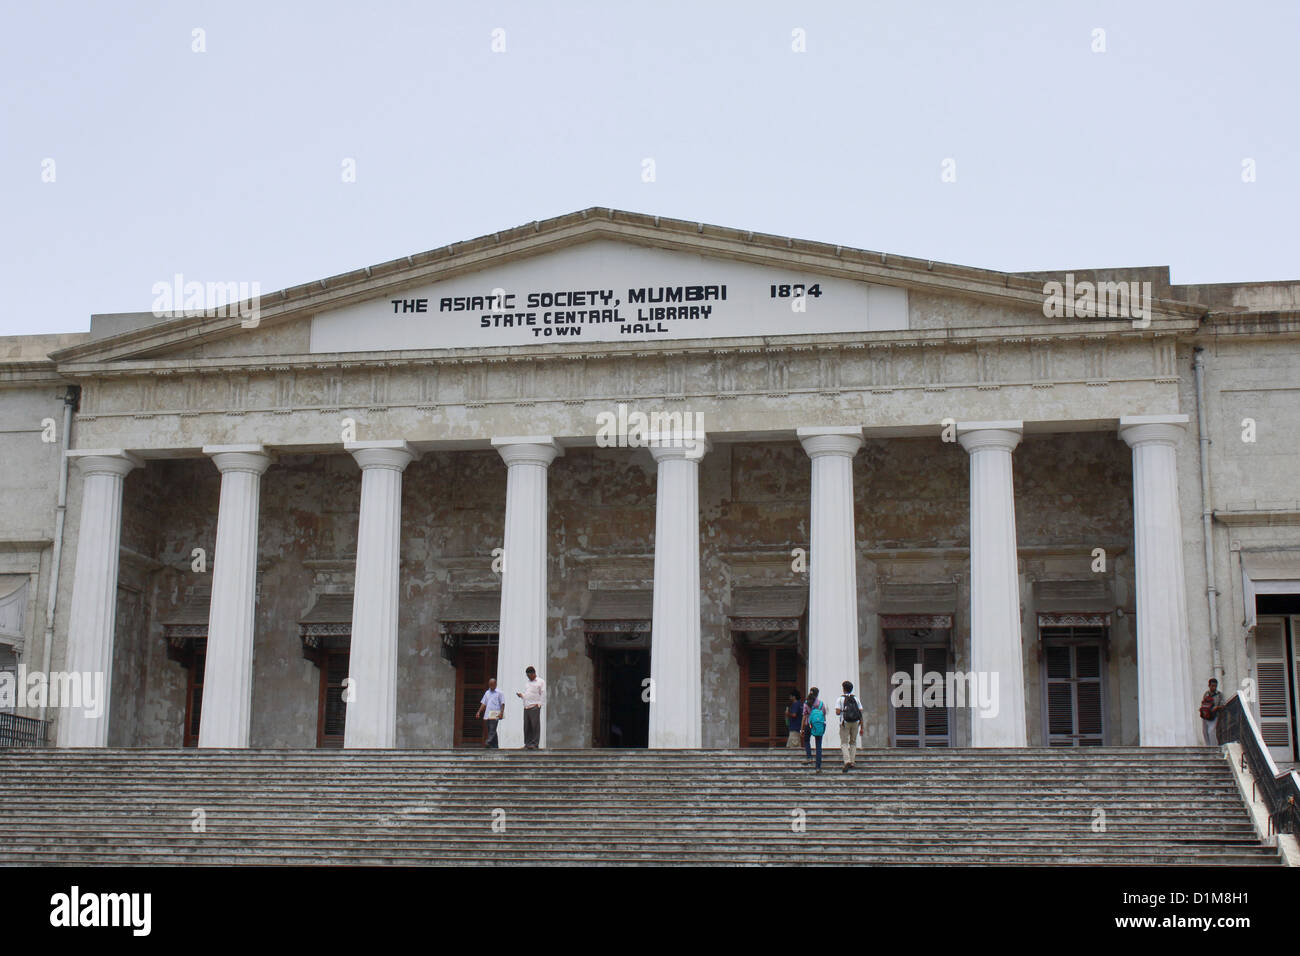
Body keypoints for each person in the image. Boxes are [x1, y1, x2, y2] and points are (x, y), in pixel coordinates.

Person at [835, 680, 865, 773]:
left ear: (844, 689)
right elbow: (860, 711)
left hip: (845, 722)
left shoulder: (840, 699)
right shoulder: (856, 699)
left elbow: (837, 712)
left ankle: (847, 761)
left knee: (844, 742)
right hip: (855, 722)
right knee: (853, 742)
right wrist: (862, 725)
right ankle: (852, 761)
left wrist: (844, 711)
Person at [516, 665, 546, 749]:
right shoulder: (527, 683)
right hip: (526, 706)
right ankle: (527, 744)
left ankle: (535, 744)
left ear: (533, 673)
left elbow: (543, 694)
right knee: (526, 726)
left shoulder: (540, 681)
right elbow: (527, 694)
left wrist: (539, 704)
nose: (528, 677)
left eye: (529, 675)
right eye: (527, 676)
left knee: (535, 726)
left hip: (535, 706)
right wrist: (521, 695)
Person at [475, 677, 504, 748]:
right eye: (490, 685)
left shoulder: (499, 693)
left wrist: (501, 713)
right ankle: (495, 746)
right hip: (487, 714)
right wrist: (479, 711)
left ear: (495, 684)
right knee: (491, 729)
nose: (491, 686)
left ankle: (488, 742)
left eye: (492, 685)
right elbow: (484, 703)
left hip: (495, 713)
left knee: (492, 728)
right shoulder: (487, 693)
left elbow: (502, 703)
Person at [802, 687, 826, 771]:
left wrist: (802, 728)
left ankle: (809, 757)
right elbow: (824, 715)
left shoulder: (806, 703)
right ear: (817, 694)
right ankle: (818, 767)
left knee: (806, 740)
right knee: (818, 745)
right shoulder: (821, 704)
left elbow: (804, 716)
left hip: (809, 724)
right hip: (818, 725)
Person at [1199, 677, 1225, 746]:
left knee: (1211, 731)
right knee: (1205, 731)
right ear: (1209, 686)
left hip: (1214, 715)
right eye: (1212, 686)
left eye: (1215, 686)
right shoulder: (1206, 694)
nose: (1214, 687)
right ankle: (1208, 745)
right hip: (1205, 715)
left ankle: (1213, 746)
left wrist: (1216, 707)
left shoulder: (1219, 695)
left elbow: (1223, 705)